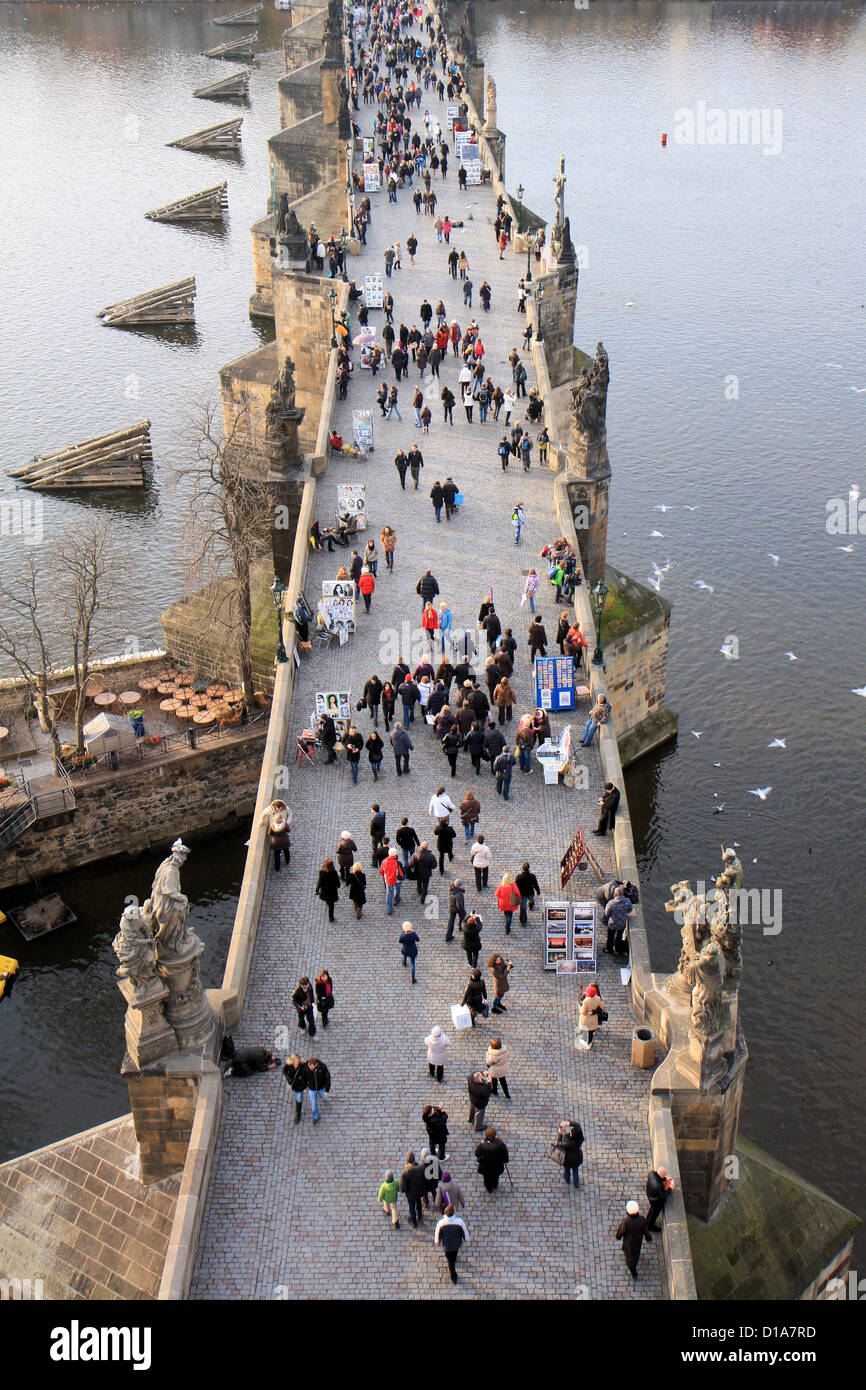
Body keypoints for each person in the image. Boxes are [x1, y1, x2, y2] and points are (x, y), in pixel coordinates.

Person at [616, 1200, 653, 1280]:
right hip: (637, 1243)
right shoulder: (642, 1220)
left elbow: (619, 1235)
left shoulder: (626, 1222)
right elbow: (646, 1231)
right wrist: (648, 1238)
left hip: (628, 1244)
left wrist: (619, 1235)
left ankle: (634, 1274)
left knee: (630, 1261)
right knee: (635, 1255)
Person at [434, 1205, 469, 1284]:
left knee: (450, 1261)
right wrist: (467, 1239)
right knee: (454, 1254)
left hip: (447, 1245)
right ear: (454, 1212)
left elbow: (437, 1233)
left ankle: (453, 1276)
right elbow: (464, 1231)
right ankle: (454, 1260)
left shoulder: (441, 1223)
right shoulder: (459, 1222)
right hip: (456, 1244)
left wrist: (437, 1241)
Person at [475, 1127, 509, 1193]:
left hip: (485, 1167)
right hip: (497, 1166)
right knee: (495, 1177)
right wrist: (505, 1160)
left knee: (487, 1178)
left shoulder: (483, 1145)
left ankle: (489, 1188)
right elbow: (505, 1154)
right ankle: (495, 1185)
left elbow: (477, 1153)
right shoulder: (500, 1144)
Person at [553, 1119, 585, 1189]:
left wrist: (560, 1134)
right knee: (575, 1171)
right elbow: (578, 1126)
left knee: (567, 1170)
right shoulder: (580, 1138)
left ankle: (567, 1180)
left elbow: (558, 1145)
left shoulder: (566, 1139)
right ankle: (576, 1184)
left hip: (567, 1160)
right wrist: (569, 1123)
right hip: (576, 1159)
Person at [604, 885, 633, 957]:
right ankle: (618, 949)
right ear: (622, 893)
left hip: (612, 923)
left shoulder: (611, 903)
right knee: (619, 936)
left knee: (610, 936)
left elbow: (607, 913)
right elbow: (630, 910)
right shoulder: (627, 901)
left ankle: (609, 949)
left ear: (615, 894)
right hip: (622, 923)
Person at [400, 1152, 427, 1228]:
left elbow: (402, 1188)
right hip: (419, 1191)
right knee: (419, 1203)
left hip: (410, 1194)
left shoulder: (405, 1173)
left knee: (411, 1207)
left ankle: (413, 1222)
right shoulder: (421, 1168)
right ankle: (420, 1216)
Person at [646, 1166, 676, 1231]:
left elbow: (658, 1177)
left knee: (651, 1210)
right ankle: (650, 1226)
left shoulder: (652, 1173)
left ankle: (647, 1221)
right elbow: (662, 1197)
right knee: (654, 1213)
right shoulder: (657, 1186)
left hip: (650, 1194)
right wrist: (670, 1188)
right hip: (655, 1200)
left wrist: (665, 1179)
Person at [282, 1054, 308, 1125]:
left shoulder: (302, 1065)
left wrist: (306, 1086)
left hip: (300, 1085)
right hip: (293, 1085)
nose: (296, 1062)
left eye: (297, 1061)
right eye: (294, 1061)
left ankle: (298, 1115)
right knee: (297, 1095)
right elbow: (284, 1071)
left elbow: (306, 1075)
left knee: (298, 1099)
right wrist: (289, 1080)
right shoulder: (289, 1064)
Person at [304, 1055, 330, 1124]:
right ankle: (316, 1116)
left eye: (312, 1067)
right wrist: (305, 1086)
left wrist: (327, 1090)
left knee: (324, 1097)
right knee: (313, 1105)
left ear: (316, 1065)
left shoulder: (322, 1067)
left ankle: (324, 1097)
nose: (310, 1068)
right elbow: (304, 1078)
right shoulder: (306, 1068)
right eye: (309, 1066)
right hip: (311, 1089)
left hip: (321, 1088)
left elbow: (328, 1078)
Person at [579, 982, 606, 1049]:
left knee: (585, 1030)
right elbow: (601, 1006)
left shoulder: (586, 1001)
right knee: (591, 1032)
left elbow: (583, 1012)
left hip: (586, 1019)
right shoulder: (597, 999)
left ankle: (585, 1042)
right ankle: (589, 1043)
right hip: (593, 1019)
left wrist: (579, 1006)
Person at [380, 847, 405, 915]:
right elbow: (402, 872)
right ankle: (396, 900)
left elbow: (382, 872)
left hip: (389, 880)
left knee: (389, 893)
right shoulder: (398, 863)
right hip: (397, 880)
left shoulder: (384, 862)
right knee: (397, 889)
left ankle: (389, 908)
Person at [268, 805, 291, 873]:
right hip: (284, 841)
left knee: (276, 855)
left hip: (276, 843)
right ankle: (287, 862)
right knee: (286, 851)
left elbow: (270, 833)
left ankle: (277, 868)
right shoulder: (284, 824)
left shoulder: (272, 826)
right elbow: (288, 830)